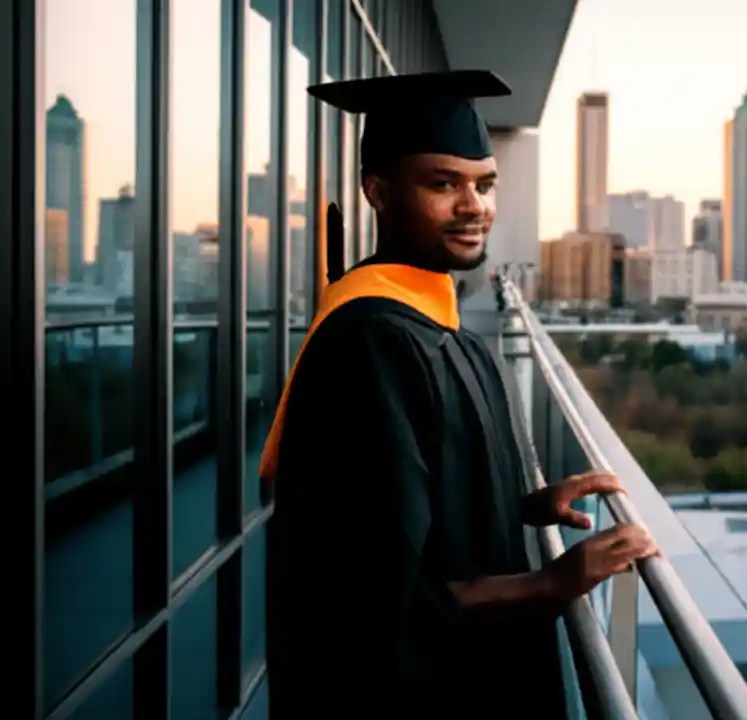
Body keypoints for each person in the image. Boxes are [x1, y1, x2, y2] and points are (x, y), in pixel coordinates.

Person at [259, 70, 659, 719]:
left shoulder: (443, 330)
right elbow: (375, 596)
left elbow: (403, 505)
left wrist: (526, 504)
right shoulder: (373, 344)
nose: (474, 205)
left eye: (483, 184)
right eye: (443, 184)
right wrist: (554, 581)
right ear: (379, 191)